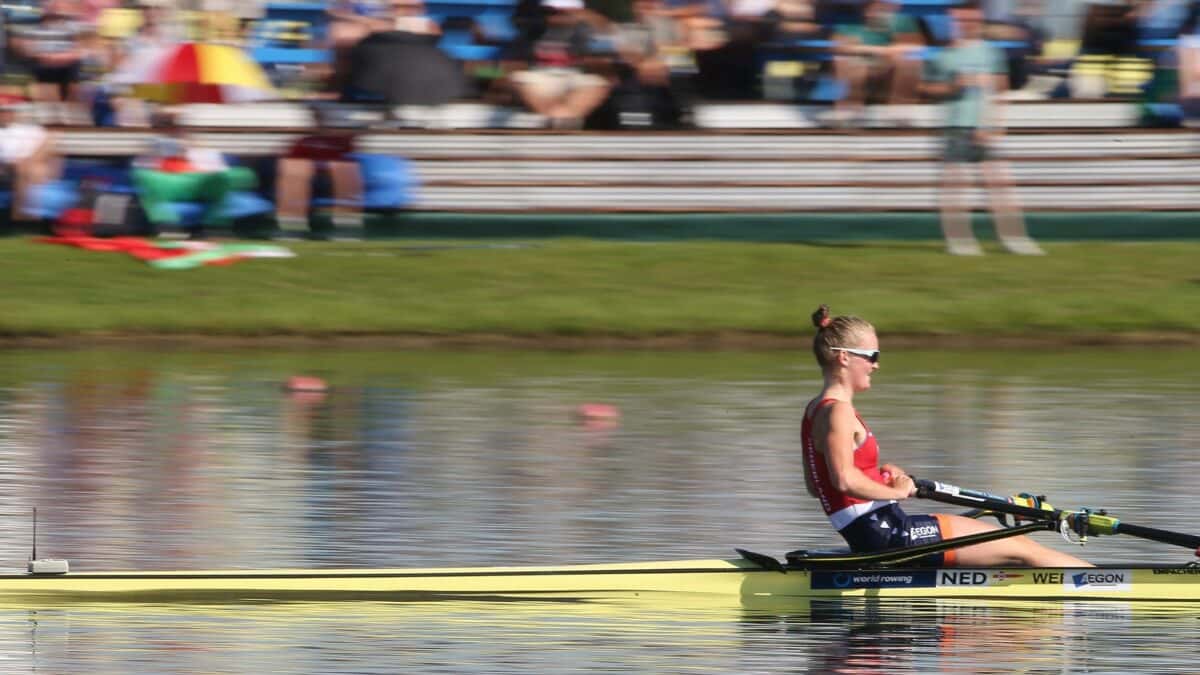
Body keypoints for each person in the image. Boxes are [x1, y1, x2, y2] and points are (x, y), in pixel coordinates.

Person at [802, 304, 1092, 568]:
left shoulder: (815, 410)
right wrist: (897, 492)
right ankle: (1101, 585)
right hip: (889, 533)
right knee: (1021, 547)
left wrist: (879, 477)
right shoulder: (839, 412)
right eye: (872, 356)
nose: (876, 365)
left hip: (876, 531)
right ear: (844, 357)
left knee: (1011, 550)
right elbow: (844, 481)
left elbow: (818, 486)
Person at [924, 4, 1043, 256]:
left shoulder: (991, 53)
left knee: (1000, 186)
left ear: (979, 21)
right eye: (962, 20)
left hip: (983, 126)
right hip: (955, 126)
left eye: (972, 20)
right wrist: (953, 87)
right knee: (955, 186)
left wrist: (995, 125)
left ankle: (1015, 238)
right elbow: (926, 88)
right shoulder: (941, 55)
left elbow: (1000, 90)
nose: (967, 24)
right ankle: (959, 240)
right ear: (953, 21)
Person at [829, 0, 924, 126]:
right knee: (845, 61)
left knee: (908, 61)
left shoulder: (901, 21)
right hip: (861, 62)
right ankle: (848, 113)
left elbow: (913, 47)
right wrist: (881, 51)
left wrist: (873, 51)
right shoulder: (850, 21)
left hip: (887, 65)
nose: (874, 10)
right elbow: (840, 47)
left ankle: (899, 113)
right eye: (870, 5)